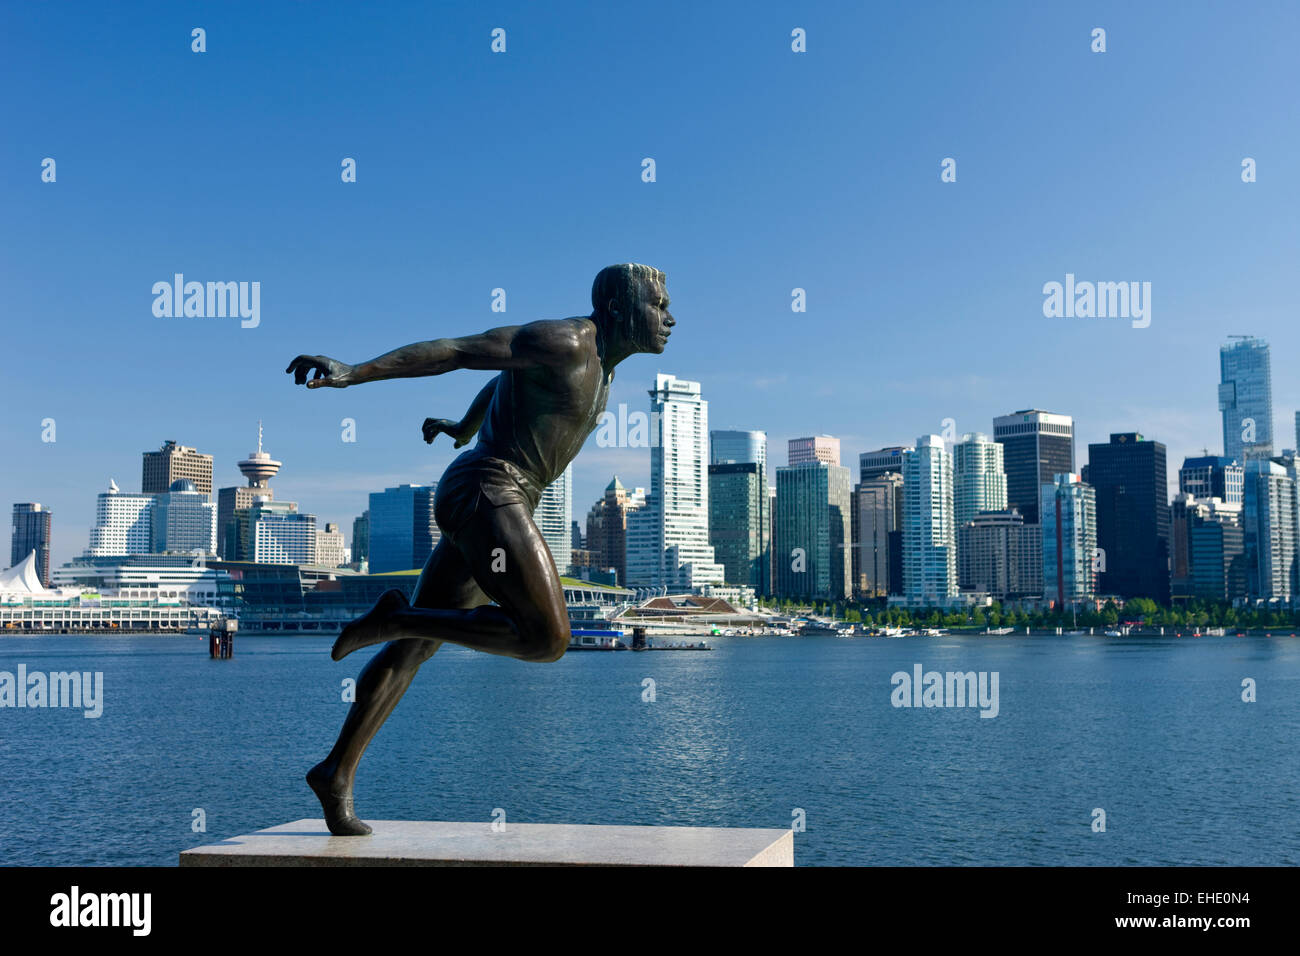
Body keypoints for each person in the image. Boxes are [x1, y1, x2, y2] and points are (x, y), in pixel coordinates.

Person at [284, 263, 673, 835]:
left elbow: (503, 384)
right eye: (658, 305)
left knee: (414, 649)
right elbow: (459, 351)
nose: (669, 318)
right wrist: (353, 373)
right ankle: (396, 617)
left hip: (494, 497)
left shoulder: (604, 371)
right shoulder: (567, 341)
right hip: (489, 490)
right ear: (618, 308)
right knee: (547, 639)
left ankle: (335, 773)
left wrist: (463, 426)